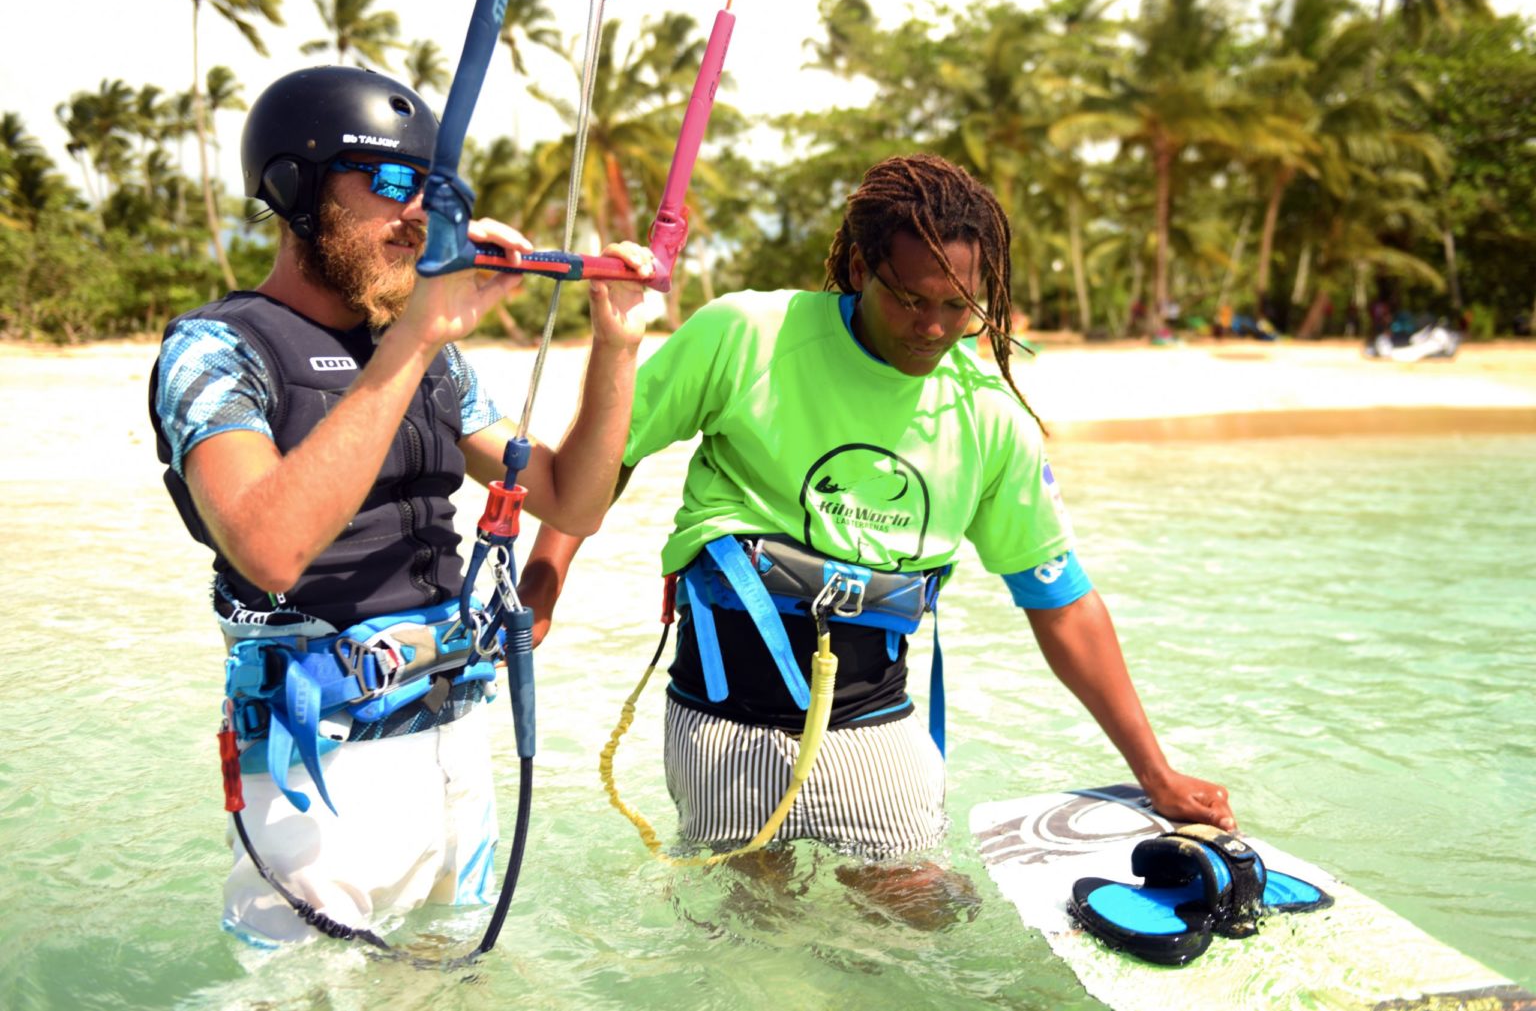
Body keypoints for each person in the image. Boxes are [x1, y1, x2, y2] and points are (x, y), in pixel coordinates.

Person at [516, 154, 1235, 918]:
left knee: (928, 918)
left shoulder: (989, 417)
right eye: (909, 298)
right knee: (749, 936)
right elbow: (609, 454)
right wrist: (545, 580)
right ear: (861, 267)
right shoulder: (746, 335)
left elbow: (1061, 603)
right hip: (721, 728)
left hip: (875, 727)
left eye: (959, 306)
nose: (932, 327)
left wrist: (1154, 770)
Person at [148, 66, 651, 944]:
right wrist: (418, 335)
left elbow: (572, 498)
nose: (417, 212)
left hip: (457, 760)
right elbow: (266, 548)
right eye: (386, 183)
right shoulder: (216, 350)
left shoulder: (430, 359)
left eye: (433, 188)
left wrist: (616, 342)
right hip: (316, 784)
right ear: (292, 188)